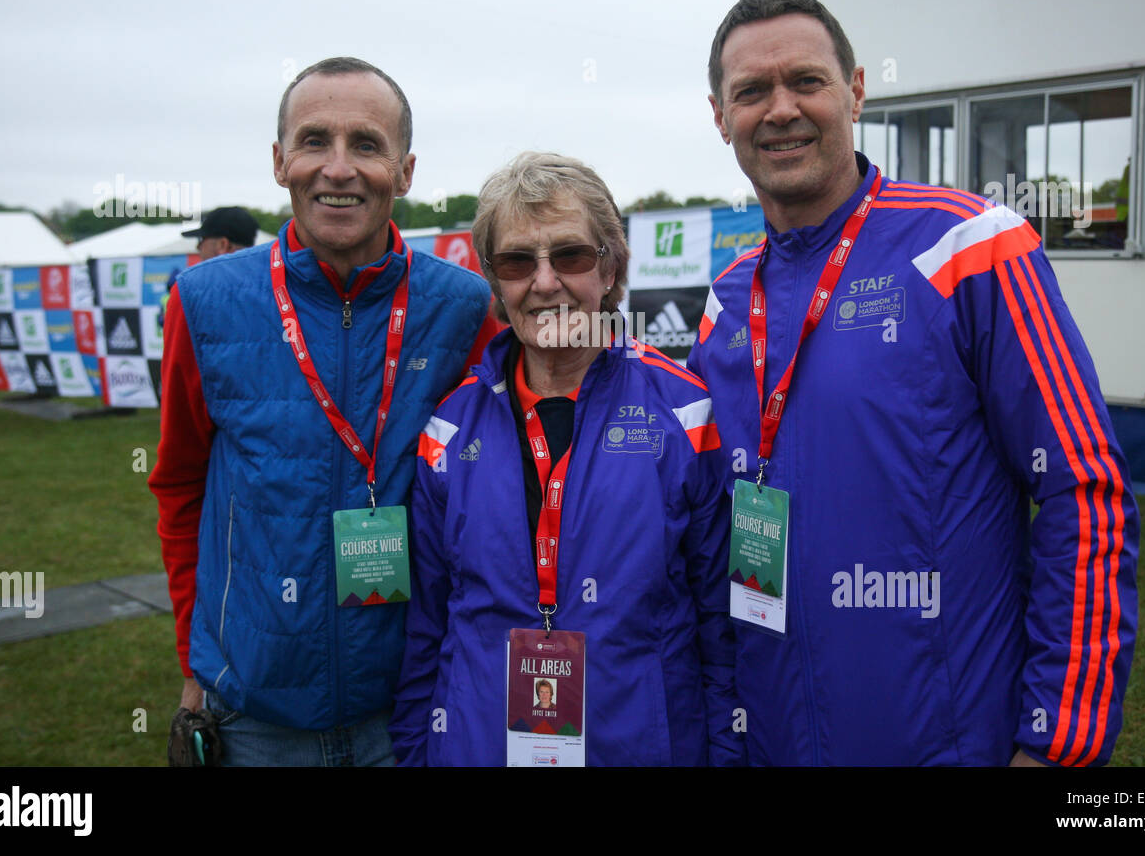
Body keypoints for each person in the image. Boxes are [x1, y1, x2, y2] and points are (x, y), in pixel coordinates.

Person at [690, 0, 1139, 766]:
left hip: (945, 744)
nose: (781, 109)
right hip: (771, 743)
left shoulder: (969, 245)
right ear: (720, 115)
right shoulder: (727, 298)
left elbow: (1086, 489)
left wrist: (1056, 742)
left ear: (856, 90)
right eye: (752, 92)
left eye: (807, 81)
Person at [149, 56, 494, 766]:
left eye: (367, 144)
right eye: (314, 141)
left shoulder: (464, 307)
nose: (339, 168)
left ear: (405, 170)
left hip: (410, 709)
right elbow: (180, 485)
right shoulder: (204, 301)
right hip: (254, 718)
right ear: (280, 162)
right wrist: (194, 656)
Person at [390, 152, 742, 766]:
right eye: (519, 261)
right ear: (496, 281)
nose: (545, 282)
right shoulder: (447, 428)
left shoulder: (685, 414)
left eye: (572, 256)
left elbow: (722, 625)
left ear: (610, 269)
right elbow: (426, 626)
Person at [159, 207, 259, 329]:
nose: (197, 247)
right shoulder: (273, 288)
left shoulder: (191, 292)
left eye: (201, 240)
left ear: (223, 244)